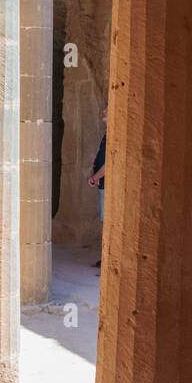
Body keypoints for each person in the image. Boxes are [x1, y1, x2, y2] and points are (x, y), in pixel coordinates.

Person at [87, 103, 107, 269]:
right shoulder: (109, 134)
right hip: (104, 184)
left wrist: (95, 177)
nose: (103, 111)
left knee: (107, 223)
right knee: (105, 222)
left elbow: (109, 163)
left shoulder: (113, 134)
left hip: (107, 185)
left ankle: (108, 258)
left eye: (106, 109)